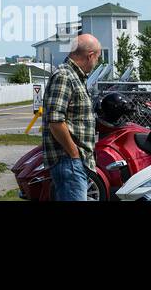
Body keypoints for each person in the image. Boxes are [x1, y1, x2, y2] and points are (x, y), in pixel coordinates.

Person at [41, 34, 102, 201]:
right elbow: (55, 121)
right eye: (97, 58)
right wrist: (74, 154)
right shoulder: (65, 76)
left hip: (73, 162)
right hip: (69, 161)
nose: (96, 62)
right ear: (90, 56)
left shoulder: (75, 77)